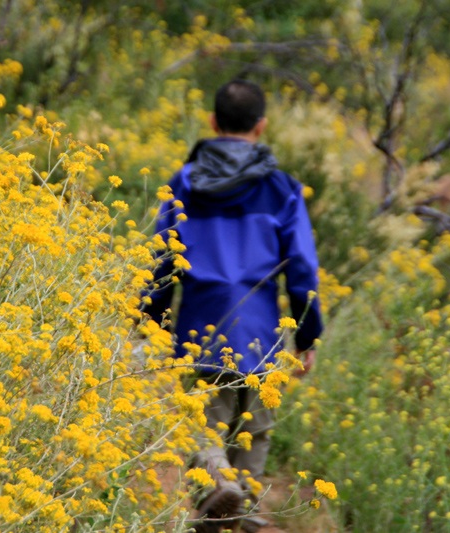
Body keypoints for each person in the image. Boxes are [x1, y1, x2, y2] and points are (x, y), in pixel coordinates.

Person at [141, 79, 323, 532]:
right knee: (256, 429)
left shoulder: (183, 181)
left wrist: (151, 321)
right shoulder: (281, 188)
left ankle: (217, 486)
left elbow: (163, 260)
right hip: (262, 328)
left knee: (204, 424)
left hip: (203, 324)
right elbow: (301, 267)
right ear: (261, 126)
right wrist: (307, 335)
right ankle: (242, 507)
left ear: (212, 121)